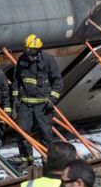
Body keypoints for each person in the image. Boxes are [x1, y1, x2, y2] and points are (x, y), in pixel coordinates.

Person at [11, 33, 63, 169]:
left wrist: (52, 99)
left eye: (33, 50)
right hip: (25, 104)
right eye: (27, 50)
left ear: (39, 49)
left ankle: (47, 159)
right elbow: (16, 81)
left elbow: (58, 82)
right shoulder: (22, 60)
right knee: (22, 132)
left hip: (43, 105)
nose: (30, 53)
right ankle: (27, 160)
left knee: (45, 134)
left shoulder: (48, 60)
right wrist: (16, 99)